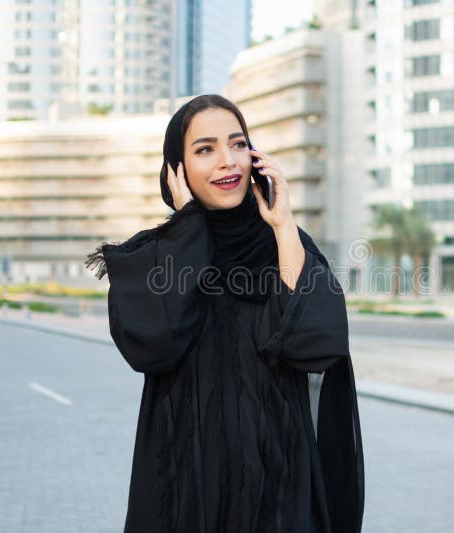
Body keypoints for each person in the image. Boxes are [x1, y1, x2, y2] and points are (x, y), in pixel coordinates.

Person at [85, 94, 364, 533]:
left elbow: (315, 341)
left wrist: (284, 224)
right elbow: (153, 344)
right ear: (175, 168)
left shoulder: (284, 241)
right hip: (185, 481)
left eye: (237, 144)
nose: (227, 161)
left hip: (279, 480)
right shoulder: (154, 255)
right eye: (205, 149)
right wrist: (189, 227)